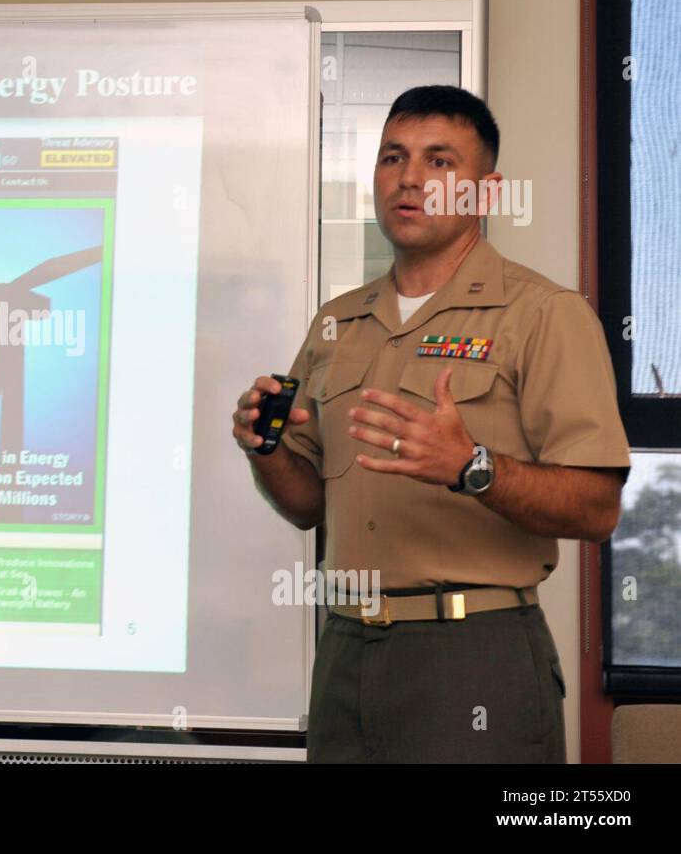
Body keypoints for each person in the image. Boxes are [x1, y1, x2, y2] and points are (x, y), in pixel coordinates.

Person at [232, 85, 631, 763]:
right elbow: (305, 504)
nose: (410, 178)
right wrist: (263, 447)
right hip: (347, 651)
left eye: (439, 161)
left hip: (474, 653)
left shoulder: (542, 314)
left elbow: (597, 507)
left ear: (486, 191)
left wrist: (473, 468)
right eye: (393, 157)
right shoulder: (338, 321)